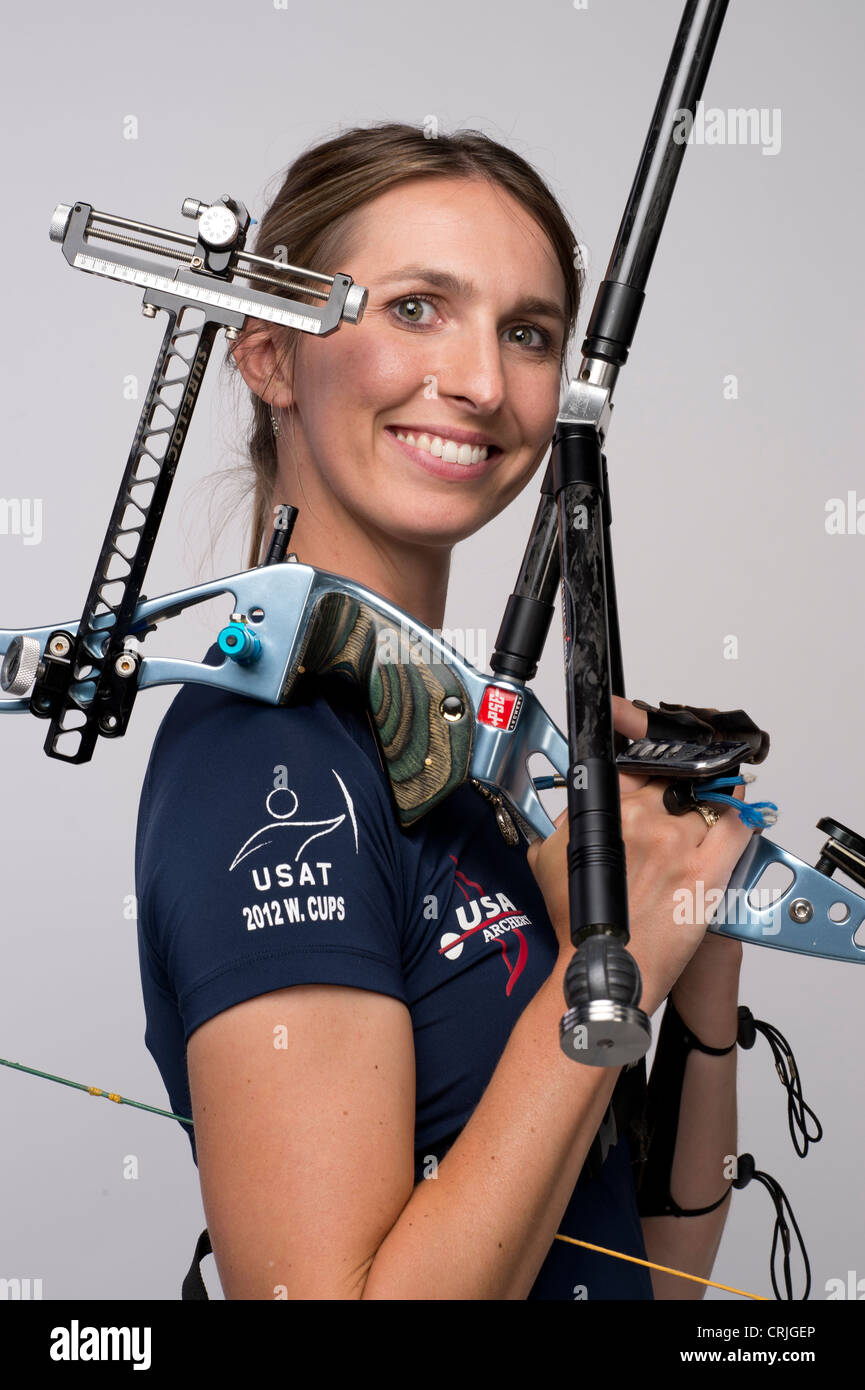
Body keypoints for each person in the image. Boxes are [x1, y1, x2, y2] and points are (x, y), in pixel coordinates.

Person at [135, 121, 759, 1300]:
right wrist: (596, 967)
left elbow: (661, 1279)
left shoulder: (482, 758)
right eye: (416, 307)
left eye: (526, 332)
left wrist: (699, 942)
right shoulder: (268, 756)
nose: (479, 381)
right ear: (268, 354)